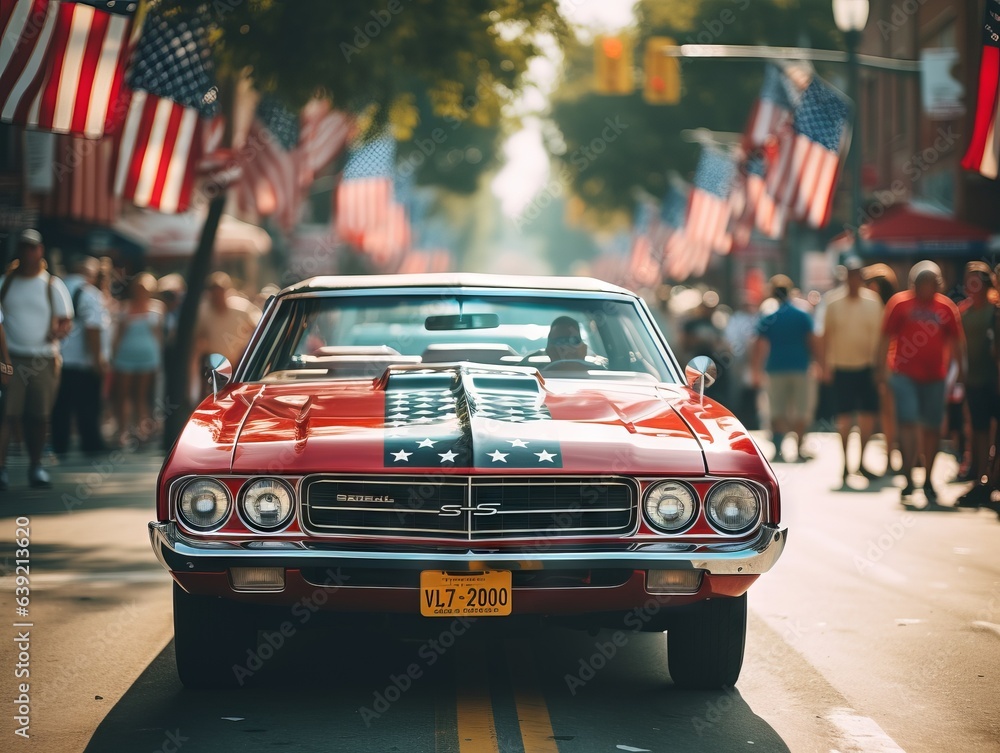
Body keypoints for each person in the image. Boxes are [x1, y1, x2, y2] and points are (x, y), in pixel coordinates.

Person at [876, 262, 966, 504]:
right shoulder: (900, 304)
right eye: (922, 283)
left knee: (932, 427)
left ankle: (927, 479)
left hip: (935, 376)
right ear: (914, 284)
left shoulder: (946, 307)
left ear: (938, 284)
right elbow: (885, 337)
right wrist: (880, 369)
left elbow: (957, 341)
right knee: (908, 422)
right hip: (904, 375)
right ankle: (908, 475)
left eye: (931, 283)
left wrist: (961, 369)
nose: (926, 287)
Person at [0, 229, 73, 489]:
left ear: (40, 250)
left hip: (43, 359)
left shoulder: (52, 284)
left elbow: (66, 319)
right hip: (12, 358)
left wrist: (58, 332)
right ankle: (1, 468)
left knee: (39, 416)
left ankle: (36, 466)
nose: (28, 252)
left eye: (32, 247)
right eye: (23, 247)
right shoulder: (5, 282)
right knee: (7, 415)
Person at [820, 257, 885, 484]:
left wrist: (880, 368)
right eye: (850, 275)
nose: (854, 280)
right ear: (845, 277)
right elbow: (825, 335)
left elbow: (881, 338)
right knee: (844, 417)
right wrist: (824, 366)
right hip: (842, 367)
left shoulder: (873, 302)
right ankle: (846, 464)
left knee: (868, 415)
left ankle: (861, 462)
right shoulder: (833, 302)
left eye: (857, 276)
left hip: (867, 367)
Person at [752, 274, 817, 463]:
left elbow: (759, 345)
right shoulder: (802, 315)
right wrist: (819, 363)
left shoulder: (769, 317)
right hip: (800, 367)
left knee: (776, 408)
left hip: (775, 368)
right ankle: (799, 449)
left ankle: (779, 450)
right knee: (801, 409)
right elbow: (812, 341)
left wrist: (756, 369)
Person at [51, 255, 110, 456]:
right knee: (88, 405)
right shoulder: (89, 293)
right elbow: (92, 328)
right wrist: (97, 359)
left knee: (61, 406)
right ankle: (91, 443)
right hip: (83, 361)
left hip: (58, 358)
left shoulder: (57, 288)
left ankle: (60, 445)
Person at [955, 262, 997, 508]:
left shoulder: (994, 311)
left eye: (975, 280)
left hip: (994, 380)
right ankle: (980, 475)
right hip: (974, 381)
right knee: (978, 429)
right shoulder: (964, 313)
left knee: (993, 431)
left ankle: (992, 478)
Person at [111, 273, 165, 446]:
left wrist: (159, 358)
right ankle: (123, 431)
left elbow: (159, 336)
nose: (141, 293)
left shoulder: (158, 308)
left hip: (148, 358)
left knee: (141, 395)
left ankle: (141, 431)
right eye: (138, 289)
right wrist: (113, 356)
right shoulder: (124, 308)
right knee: (123, 394)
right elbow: (118, 335)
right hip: (125, 356)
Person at [193, 273, 261, 396]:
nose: (217, 297)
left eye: (220, 293)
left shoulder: (242, 308)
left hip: (239, 363)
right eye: (214, 294)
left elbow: (259, 328)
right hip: (213, 365)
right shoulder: (203, 312)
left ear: (226, 292)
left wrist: (248, 351)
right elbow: (198, 338)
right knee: (212, 396)